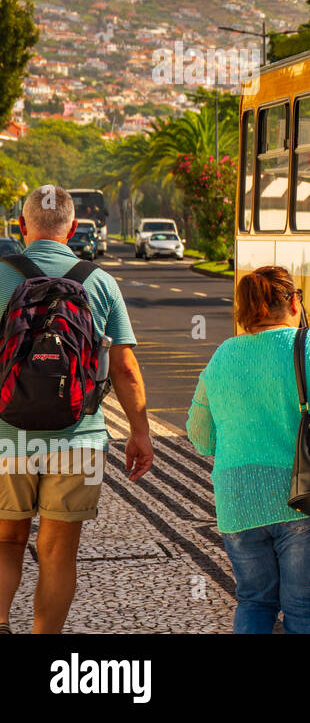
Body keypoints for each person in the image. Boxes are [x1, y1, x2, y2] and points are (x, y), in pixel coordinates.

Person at [187, 266, 310, 634]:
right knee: (304, 610)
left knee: (254, 601)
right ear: (294, 302)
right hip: (304, 497)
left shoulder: (222, 355)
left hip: (237, 502)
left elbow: (201, 438)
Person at [0, 185, 151, 634]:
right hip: (78, 440)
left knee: (6, 540)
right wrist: (140, 434)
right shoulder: (99, 281)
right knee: (58, 551)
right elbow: (124, 369)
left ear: (22, 227)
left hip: (5, 436)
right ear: (74, 229)